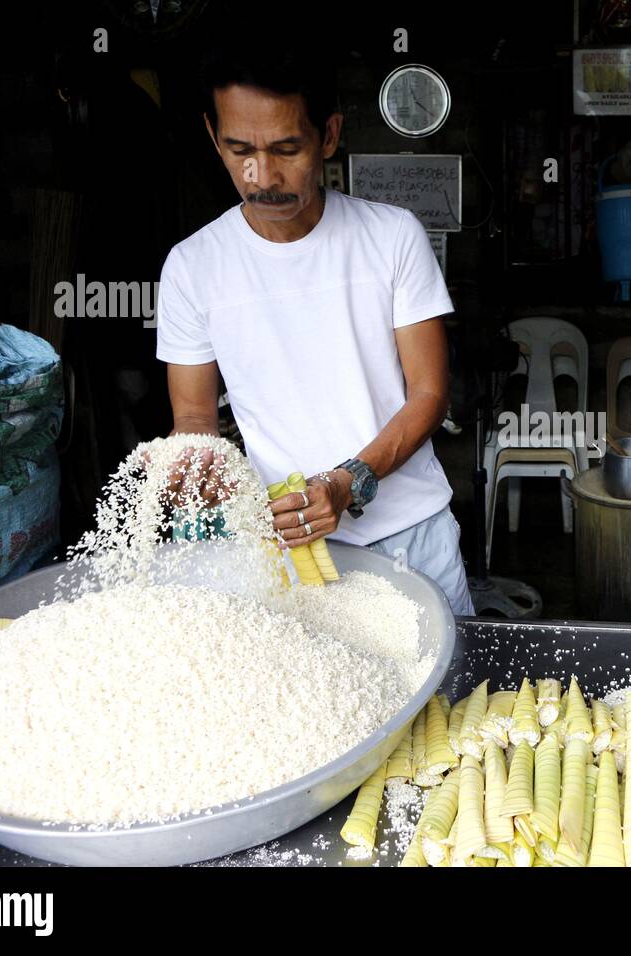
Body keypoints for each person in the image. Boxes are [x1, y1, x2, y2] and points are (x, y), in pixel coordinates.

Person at [154, 39, 474, 615]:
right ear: (212, 136)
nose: (262, 176)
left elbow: (429, 393)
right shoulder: (192, 267)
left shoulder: (392, 237)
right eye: (239, 150)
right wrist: (196, 470)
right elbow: (196, 420)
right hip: (285, 552)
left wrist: (348, 481)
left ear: (328, 136)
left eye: (286, 148)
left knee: (446, 699)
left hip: (410, 533)